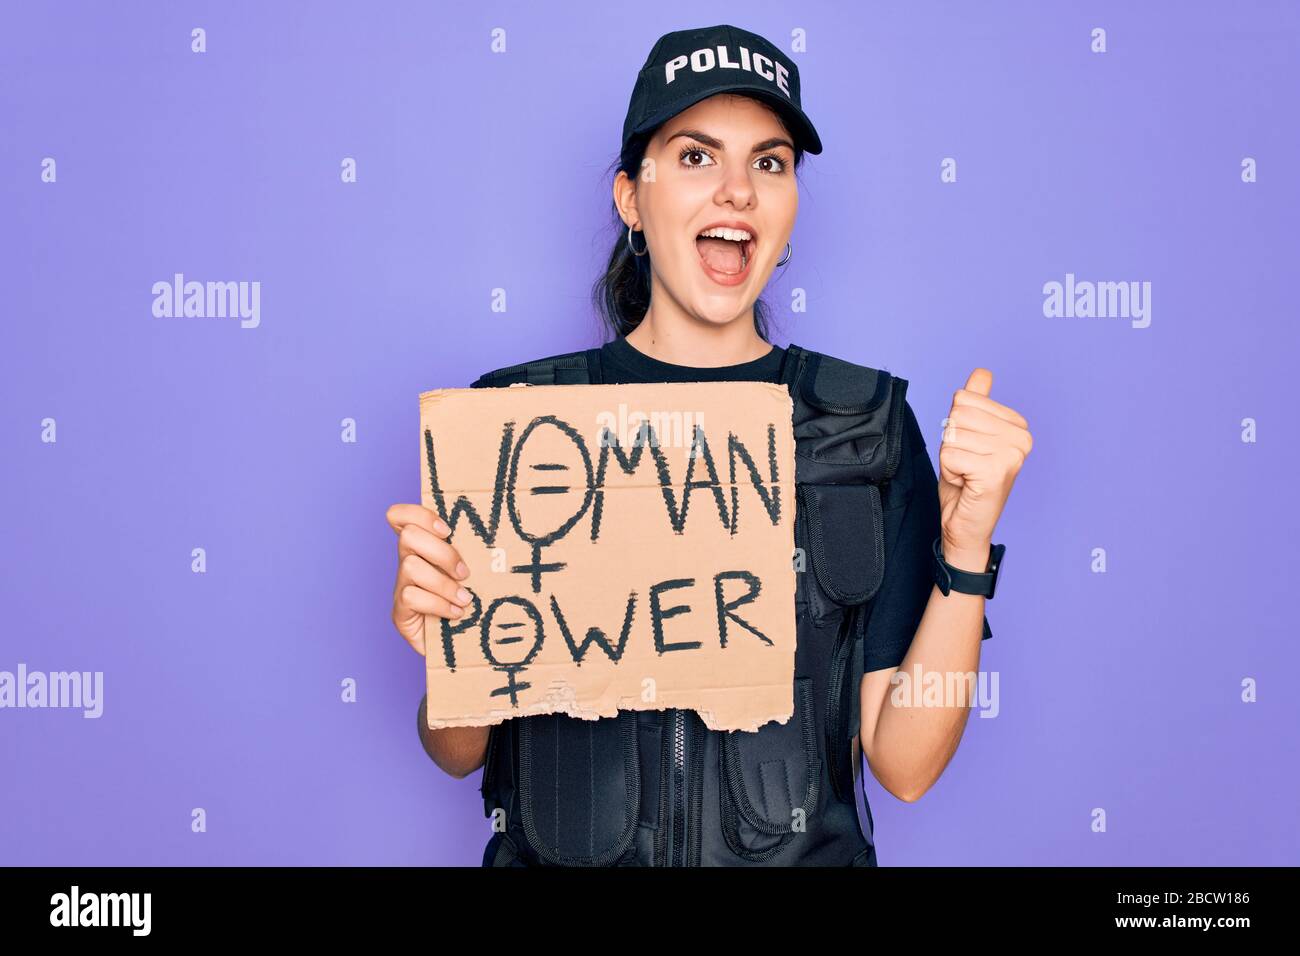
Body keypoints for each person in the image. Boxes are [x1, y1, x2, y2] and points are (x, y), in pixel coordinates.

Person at [386, 23, 1032, 866]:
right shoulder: (512, 423)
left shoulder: (865, 425)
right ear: (630, 198)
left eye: (769, 162)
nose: (737, 191)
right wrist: (446, 641)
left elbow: (905, 766)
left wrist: (965, 548)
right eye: (695, 157)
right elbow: (457, 749)